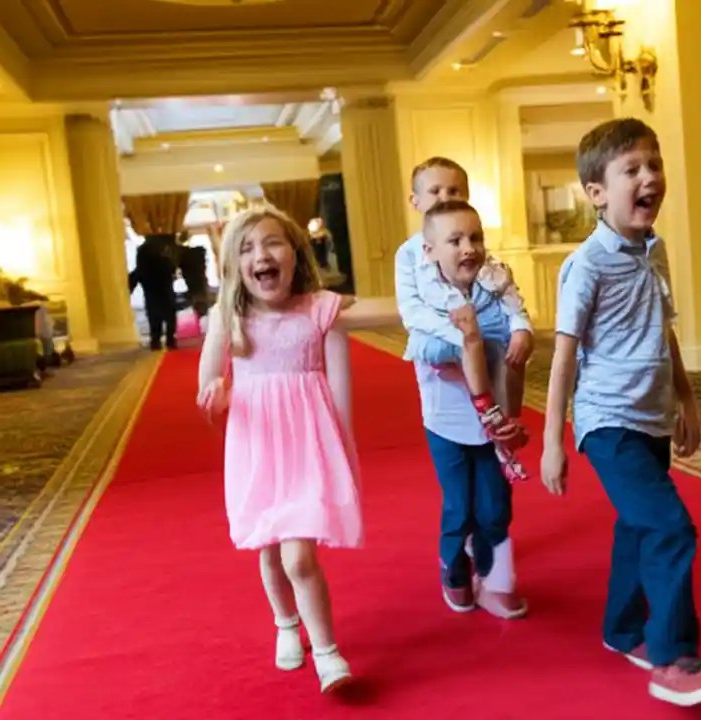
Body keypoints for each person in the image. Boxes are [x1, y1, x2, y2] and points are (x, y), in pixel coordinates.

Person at [540, 118, 701, 707]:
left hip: (651, 416)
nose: (649, 177)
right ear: (597, 193)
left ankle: (623, 630)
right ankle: (673, 658)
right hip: (608, 422)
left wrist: (687, 398)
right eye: (632, 169)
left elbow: (663, 329)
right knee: (670, 527)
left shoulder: (656, 250)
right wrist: (552, 441)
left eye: (654, 165)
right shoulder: (586, 266)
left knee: (636, 525)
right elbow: (564, 356)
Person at [196, 206, 396, 693]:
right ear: (233, 266)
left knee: (299, 557)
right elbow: (209, 384)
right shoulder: (228, 317)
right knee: (270, 551)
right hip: (259, 449)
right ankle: (286, 623)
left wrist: (445, 291)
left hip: (308, 445)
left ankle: (327, 652)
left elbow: (385, 312)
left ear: (295, 253)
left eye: (272, 243)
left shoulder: (318, 307)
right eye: (247, 249)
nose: (261, 255)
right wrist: (216, 393)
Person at [398, 199, 531, 619]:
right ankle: (455, 570)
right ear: (430, 251)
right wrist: (469, 340)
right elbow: (432, 348)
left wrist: (520, 330)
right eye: (455, 241)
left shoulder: (495, 281)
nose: (468, 248)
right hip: (447, 423)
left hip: (495, 421)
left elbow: (516, 315)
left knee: (495, 505)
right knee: (459, 506)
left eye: (475, 238)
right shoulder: (426, 301)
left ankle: (496, 580)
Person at [395, 156, 533, 481]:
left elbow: (505, 294)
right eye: (435, 191)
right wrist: (461, 336)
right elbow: (412, 311)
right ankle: (488, 409)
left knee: (507, 350)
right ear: (416, 201)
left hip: (480, 339)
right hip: (442, 337)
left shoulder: (473, 246)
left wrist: (520, 327)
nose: (445, 197)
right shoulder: (410, 253)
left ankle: (506, 424)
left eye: (454, 191)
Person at [130, 234, 179, 350]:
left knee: (154, 316)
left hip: (150, 290)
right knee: (169, 315)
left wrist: (132, 284)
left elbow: (138, 272)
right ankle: (170, 339)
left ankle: (156, 340)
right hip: (164, 290)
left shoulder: (143, 253)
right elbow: (171, 269)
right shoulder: (164, 256)